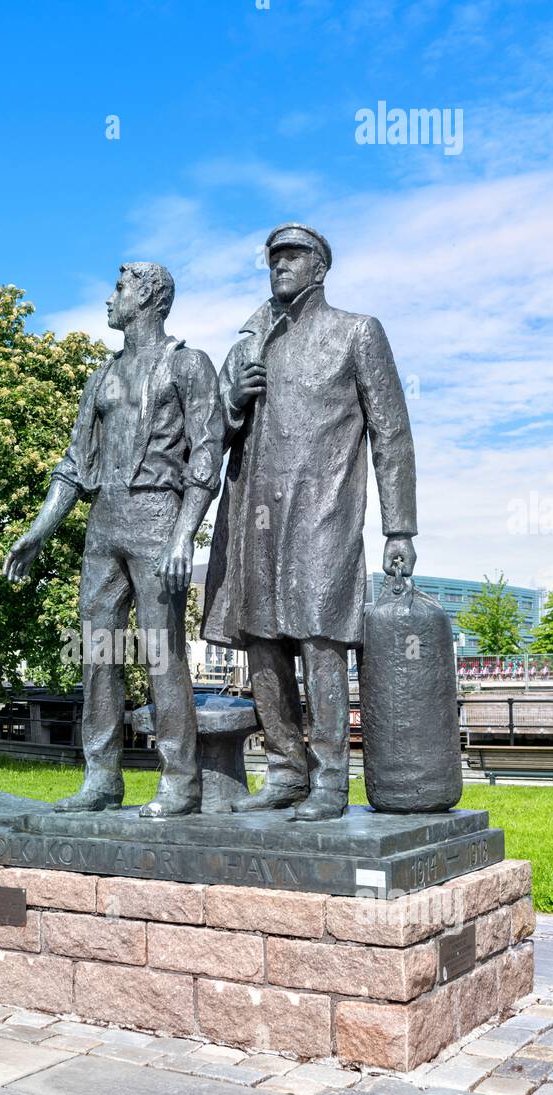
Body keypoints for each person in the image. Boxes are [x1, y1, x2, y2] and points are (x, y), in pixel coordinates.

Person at [202, 223, 417, 820]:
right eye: (274, 258)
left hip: (324, 512)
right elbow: (210, 437)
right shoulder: (250, 343)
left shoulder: (356, 332)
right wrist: (233, 401)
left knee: (320, 635)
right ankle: (284, 771)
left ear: (320, 267)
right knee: (262, 640)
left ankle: (328, 780)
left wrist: (399, 528)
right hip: (254, 514)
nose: (280, 266)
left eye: (293, 256)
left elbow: (392, 433)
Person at [4, 263, 223, 817]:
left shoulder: (188, 365)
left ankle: (180, 782)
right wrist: (38, 530)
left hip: (157, 516)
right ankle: (100, 777)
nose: (109, 298)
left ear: (147, 296)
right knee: (97, 654)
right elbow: (76, 463)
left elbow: (207, 455)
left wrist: (183, 536)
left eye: (119, 288)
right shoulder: (101, 376)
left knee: (160, 653)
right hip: (104, 523)